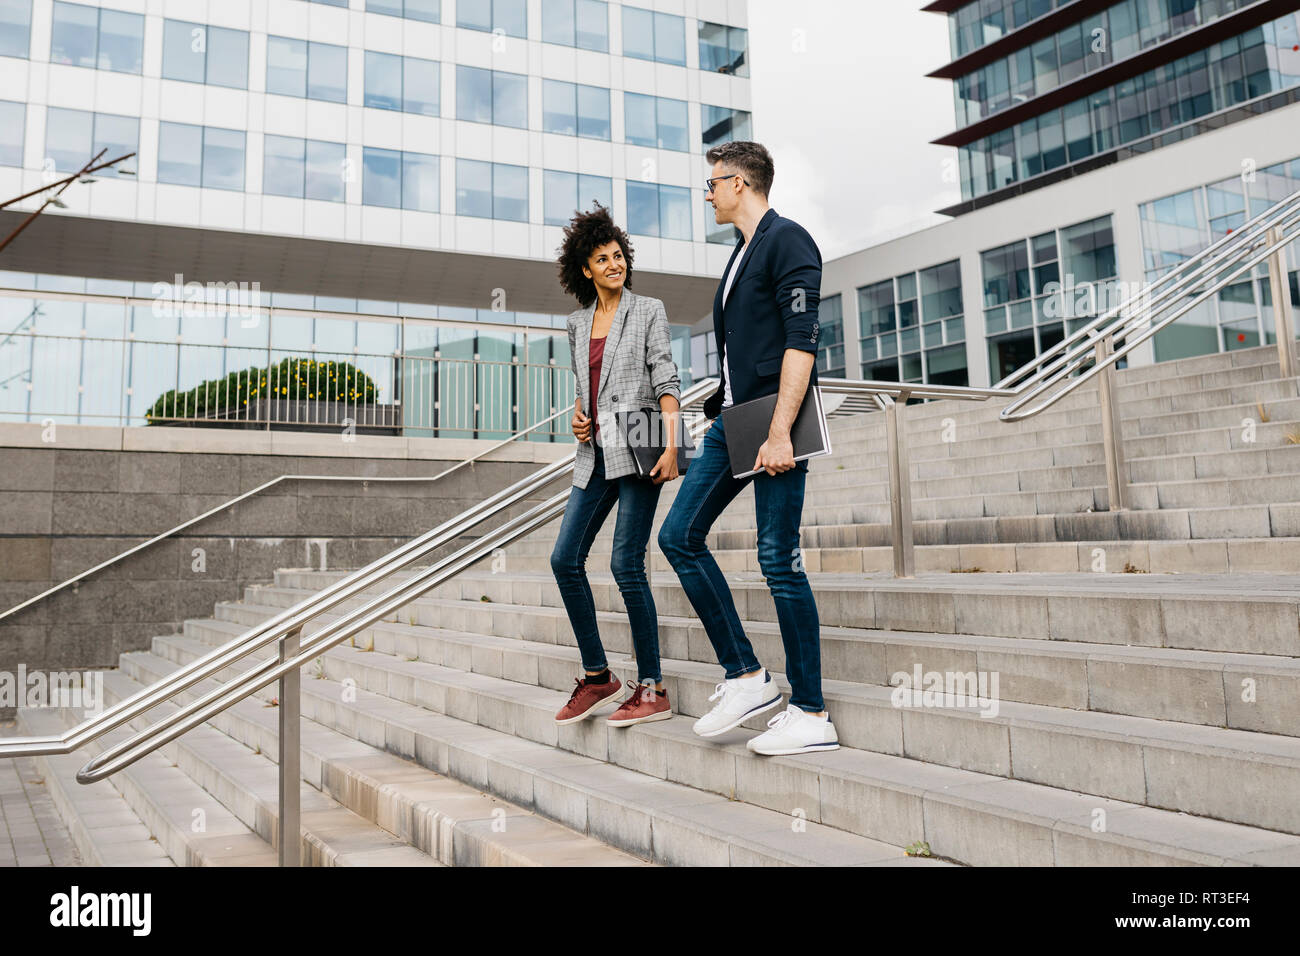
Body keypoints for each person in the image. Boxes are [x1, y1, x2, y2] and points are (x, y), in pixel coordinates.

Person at [657, 141, 839, 756]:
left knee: (777, 560)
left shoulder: (788, 240)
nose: (707, 194)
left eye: (712, 184)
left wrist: (782, 430)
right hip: (735, 421)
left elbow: (800, 339)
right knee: (678, 535)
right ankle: (747, 675)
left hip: (776, 421)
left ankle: (811, 711)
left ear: (739, 183)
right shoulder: (739, 254)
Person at [550, 203, 683, 728]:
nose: (614, 264)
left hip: (643, 444)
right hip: (595, 453)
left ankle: (651, 688)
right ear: (585, 269)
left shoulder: (648, 310)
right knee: (565, 560)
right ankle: (599, 675)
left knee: (626, 564)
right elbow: (588, 393)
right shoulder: (577, 323)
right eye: (602, 258)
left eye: (619, 255)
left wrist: (672, 443)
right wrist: (580, 422)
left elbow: (666, 379)